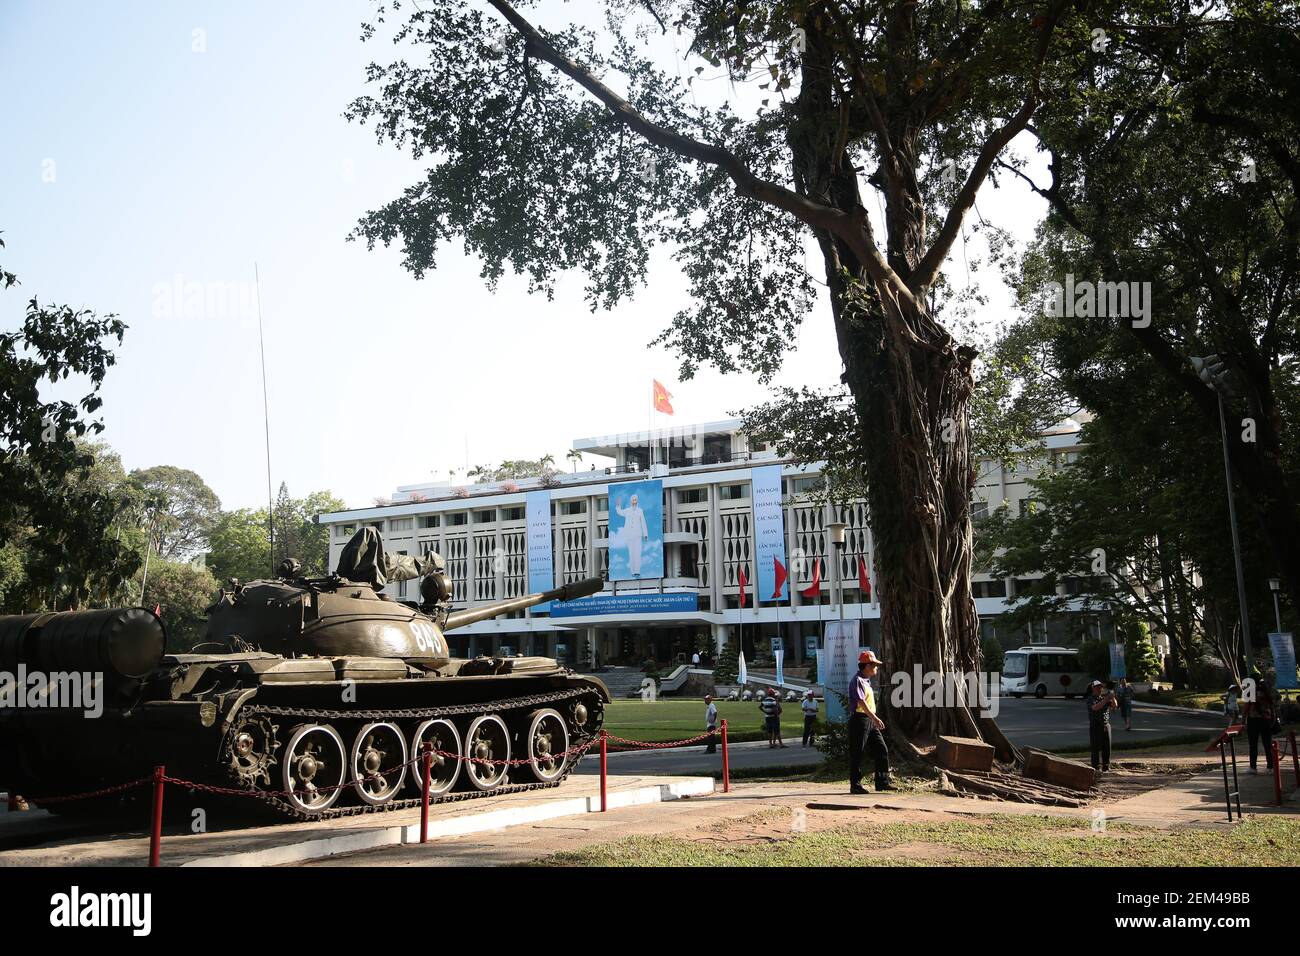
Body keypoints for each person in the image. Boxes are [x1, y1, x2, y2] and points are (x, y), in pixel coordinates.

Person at [849, 650, 892, 794]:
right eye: (875, 665)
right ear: (867, 665)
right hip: (860, 720)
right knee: (858, 753)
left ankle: (882, 782)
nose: (876, 668)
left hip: (869, 719)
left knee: (882, 749)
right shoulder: (857, 681)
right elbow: (861, 702)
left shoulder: (866, 681)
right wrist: (875, 718)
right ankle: (855, 785)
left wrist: (873, 718)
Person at [1242, 679, 1278, 775]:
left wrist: (1243, 722)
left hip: (1253, 722)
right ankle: (1270, 767)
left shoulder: (1251, 696)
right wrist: (1272, 721)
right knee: (1268, 745)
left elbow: (1245, 710)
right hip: (1266, 722)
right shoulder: (1267, 696)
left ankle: (1253, 768)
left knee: (1253, 745)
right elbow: (1273, 710)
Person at [614, 494, 649, 577]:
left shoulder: (640, 511)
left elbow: (643, 522)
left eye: (635, 500)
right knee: (631, 553)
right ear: (631, 501)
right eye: (633, 499)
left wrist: (645, 534)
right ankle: (632, 571)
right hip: (629, 535)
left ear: (637, 501)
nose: (634, 501)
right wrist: (618, 505)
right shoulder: (627, 510)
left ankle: (637, 571)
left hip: (638, 534)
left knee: (638, 553)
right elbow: (619, 512)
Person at [1087, 679, 1116, 772]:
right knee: (1095, 748)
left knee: (1106, 748)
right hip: (1096, 726)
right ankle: (1095, 768)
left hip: (1106, 725)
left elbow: (1115, 706)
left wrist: (1112, 696)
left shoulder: (1103, 698)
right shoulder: (1091, 699)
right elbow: (1095, 707)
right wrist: (1106, 699)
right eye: (1097, 687)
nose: (1099, 689)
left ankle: (1106, 767)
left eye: (1100, 687)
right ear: (1093, 688)